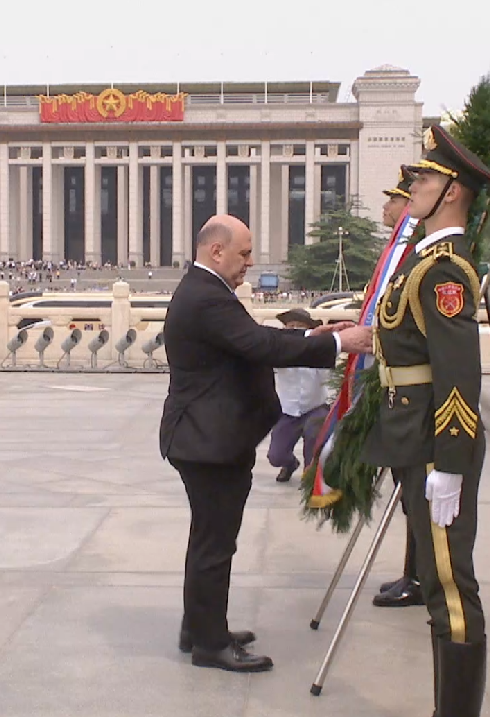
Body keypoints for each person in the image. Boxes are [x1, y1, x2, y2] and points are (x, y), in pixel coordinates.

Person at [159, 214, 362, 672]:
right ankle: (210, 644)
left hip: (207, 435)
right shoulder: (206, 297)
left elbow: (254, 339)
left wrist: (311, 335)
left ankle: (200, 627)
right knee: (215, 545)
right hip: (207, 439)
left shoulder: (207, 292)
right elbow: (257, 346)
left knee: (208, 539)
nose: (249, 262)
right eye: (244, 253)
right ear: (217, 251)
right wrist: (338, 345)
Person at [361, 125, 490, 716]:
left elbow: (457, 374)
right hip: (410, 432)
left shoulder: (444, 270)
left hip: (432, 442)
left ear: (450, 191)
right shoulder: (423, 260)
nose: (412, 185)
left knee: (449, 584)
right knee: (441, 581)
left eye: (423, 177)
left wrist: (451, 464)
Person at [373, 167, 426, 609]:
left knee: (421, 499)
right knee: (409, 495)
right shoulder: (401, 252)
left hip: (420, 405)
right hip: (400, 397)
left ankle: (423, 578)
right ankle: (414, 574)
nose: (387, 207)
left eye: (395, 198)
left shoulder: (422, 257)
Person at [268, 308, 333, 483]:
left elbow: (327, 376)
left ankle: (310, 475)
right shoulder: (279, 352)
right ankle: (289, 464)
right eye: (291, 326)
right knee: (276, 455)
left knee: (314, 436)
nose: (295, 329)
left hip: (315, 407)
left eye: (299, 326)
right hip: (287, 410)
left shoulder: (318, 351)